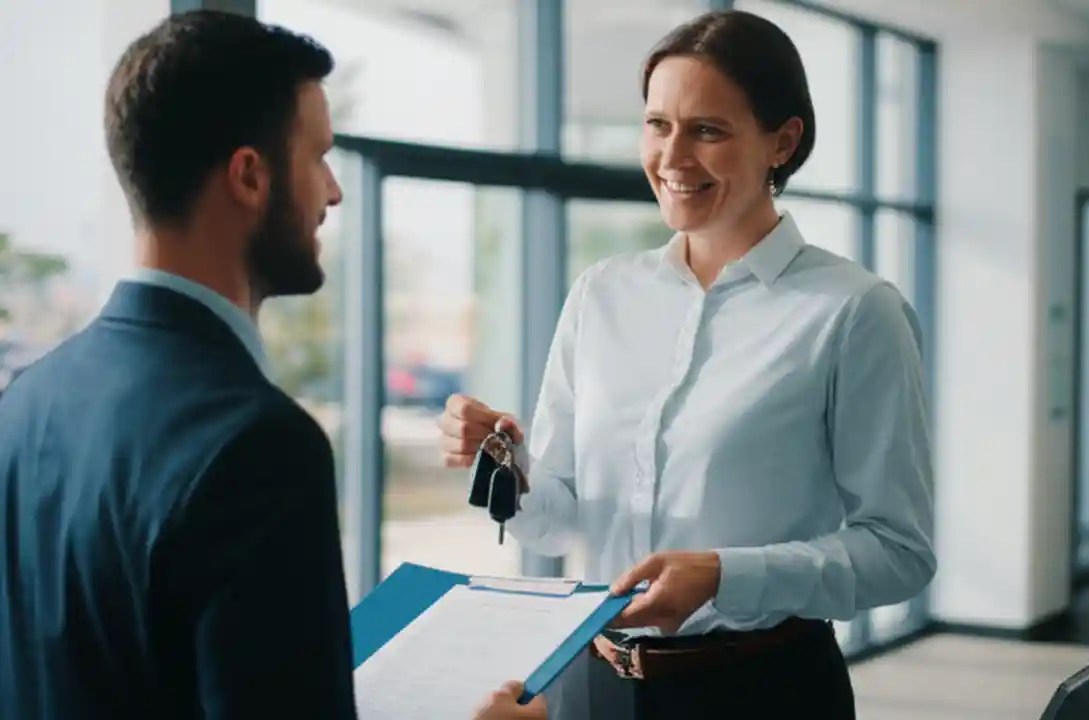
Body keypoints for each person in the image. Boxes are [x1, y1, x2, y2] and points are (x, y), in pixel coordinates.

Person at [0, 11, 542, 720]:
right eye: (318, 157)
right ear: (250, 176)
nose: (334, 192)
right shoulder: (258, 446)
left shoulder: (26, 401)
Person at [441, 9, 935, 720]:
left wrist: (726, 576)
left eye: (708, 130)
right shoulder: (601, 295)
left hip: (762, 690)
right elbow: (560, 522)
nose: (672, 157)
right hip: (595, 679)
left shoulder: (854, 312)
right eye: (657, 124)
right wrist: (504, 464)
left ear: (782, 141)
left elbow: (899, 551)